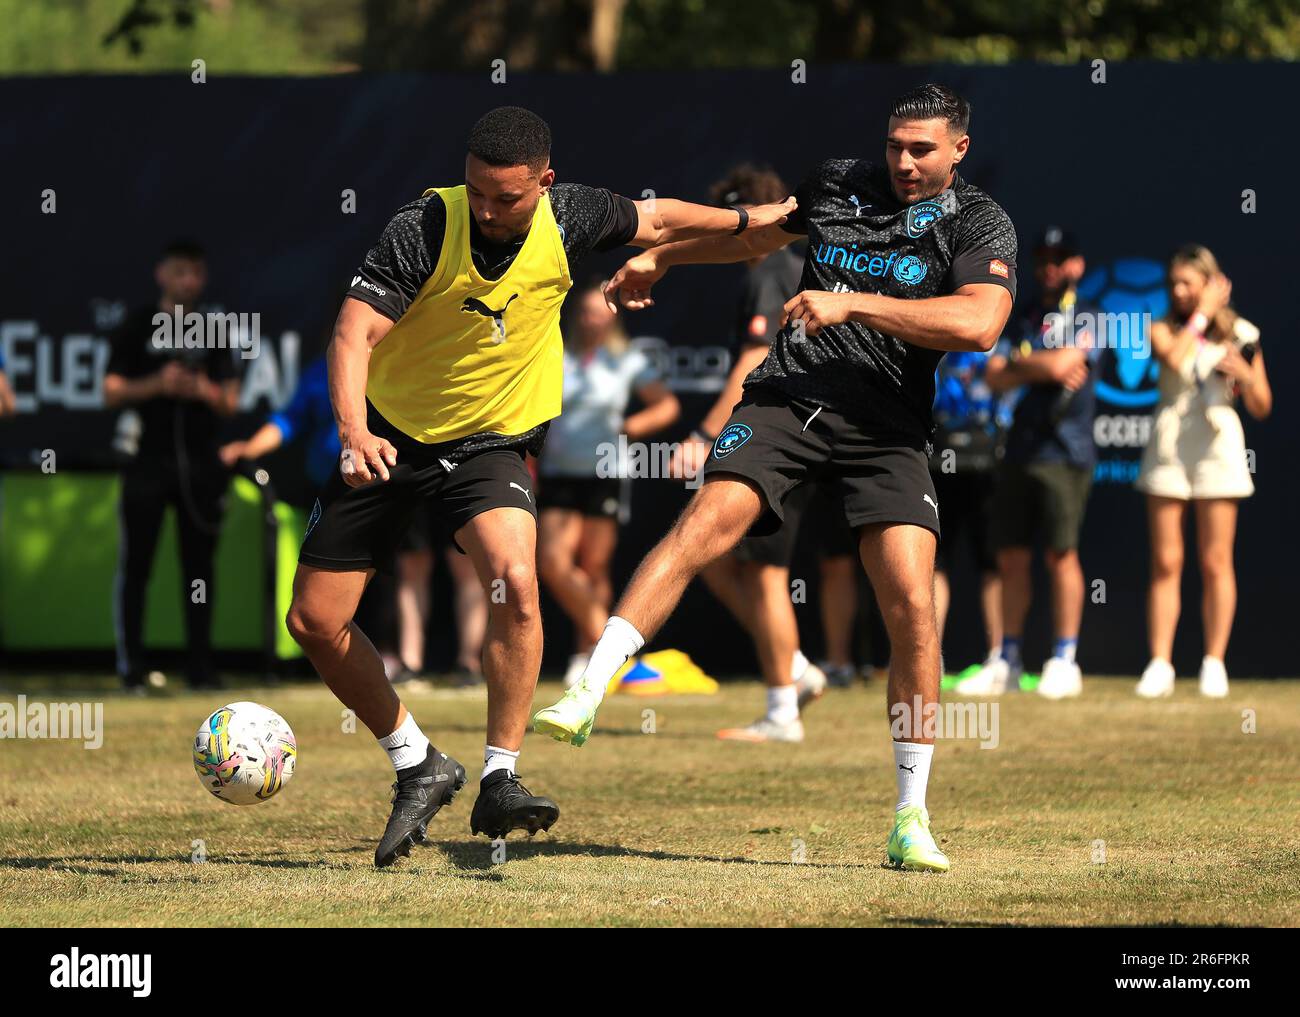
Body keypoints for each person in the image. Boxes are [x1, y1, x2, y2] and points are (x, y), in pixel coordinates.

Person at [283, 105, 797, 867]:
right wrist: (355, 431)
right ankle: (418, 761)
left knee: (518, 582)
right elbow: (352, 334)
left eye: (508, 198)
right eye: (479, 193)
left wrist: (750, 216)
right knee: (315, 622)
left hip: (492, 438)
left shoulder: (574, 214)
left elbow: (656, 220)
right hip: (391, 432)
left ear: (544, 184)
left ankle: (500, 775)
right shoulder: (423, 227)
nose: (490, 211)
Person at [535, 84, 1018, 873]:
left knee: (911, 606)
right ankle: (588, 690)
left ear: (958, 149)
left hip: (887, 429)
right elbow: (753, 236)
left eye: (921, 149)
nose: (902, 160)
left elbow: (978, 322)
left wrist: (851, 304)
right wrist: (660, 253)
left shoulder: (980, 221)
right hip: (789, 399)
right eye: (894, 144)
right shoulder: (838, 182)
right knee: (703, 527)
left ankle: (910, 815)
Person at [670, 163, 828, 743]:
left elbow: (750, 361)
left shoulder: (770, 271)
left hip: (783, 437)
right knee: (721, 563)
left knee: (766, 575)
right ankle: (794, 670)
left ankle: (782, 708)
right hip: (793, 435)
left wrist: (701, 435)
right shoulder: (784, 268)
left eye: (732, 220)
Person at [956, 227, 1098, 700]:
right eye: (1043, 260)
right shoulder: (1023, 316)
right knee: (1011, 557)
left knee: (1061, 555)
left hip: (1066, 452)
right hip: (1019, 450)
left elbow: (1064, 366)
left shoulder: (1091, 314)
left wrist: (1026, 363)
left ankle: (1064, 657)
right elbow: (994, 376)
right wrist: (1040, 363)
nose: (1049, 268)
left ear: (1077, 265)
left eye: (1060, 259)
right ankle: (1008, 657)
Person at [103, 238, 240, 691]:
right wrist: (157, 383)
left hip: (199, 466)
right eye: (179, 271)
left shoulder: (215, 328)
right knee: (137, 565)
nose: (188, 281)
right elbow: (110, 391)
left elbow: (231, 401)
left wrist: (201, 390)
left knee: (199, 568)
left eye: (195, 272)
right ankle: (132, 668)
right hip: (146, 461)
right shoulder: (138, 324)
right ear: (162, 273)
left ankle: (200, 667)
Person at [1134, 245, 1270, 698]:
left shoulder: (1243, 334)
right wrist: (1202, 316)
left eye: (1188, 283)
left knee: (1215, 561)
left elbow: (1262, 405)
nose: (1179, 290)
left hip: (1218, 449)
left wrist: (1245, 376)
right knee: (1166, 561)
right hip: (1170, 447)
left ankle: (1214, 662)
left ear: (1210, 283)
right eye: (1174, 283)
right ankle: (1160, 663)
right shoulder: (1162, 329)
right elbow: (1174, 358)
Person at [538, 277, 680, 688]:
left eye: (599, 315)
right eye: (585, 313)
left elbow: (667, 406)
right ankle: (612, 650)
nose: (591, 321)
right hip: (559, 470)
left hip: (606, 471)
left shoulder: (627, 360)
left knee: (594, 566)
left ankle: (587, 659)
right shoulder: (555, 355)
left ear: (611, 320)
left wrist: (628, 427)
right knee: (552, 562)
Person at [931, 346, 1009, 674]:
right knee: (934, 563)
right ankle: (928, 657)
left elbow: (1008, 392)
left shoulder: (1001, 339)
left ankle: (1000, 657)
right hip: (937, 459)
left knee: (993, 562)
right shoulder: (934, 340)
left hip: (990, 462)